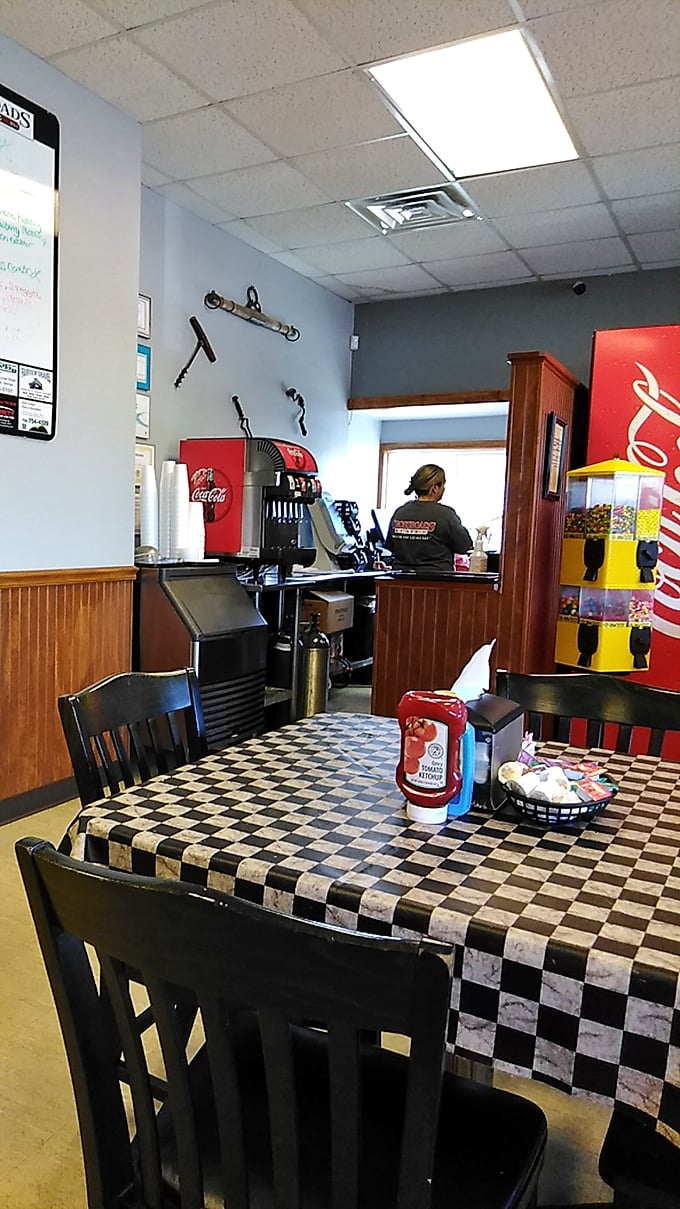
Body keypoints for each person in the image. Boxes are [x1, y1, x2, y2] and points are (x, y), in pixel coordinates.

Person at [386, 464, 472, 573]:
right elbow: (464, 546)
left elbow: (391, 547)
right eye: (443, 485)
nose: (444, 489)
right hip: (436, 582)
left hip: (402, 581)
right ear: (435, 488)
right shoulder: (445, 514)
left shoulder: (399, 513)